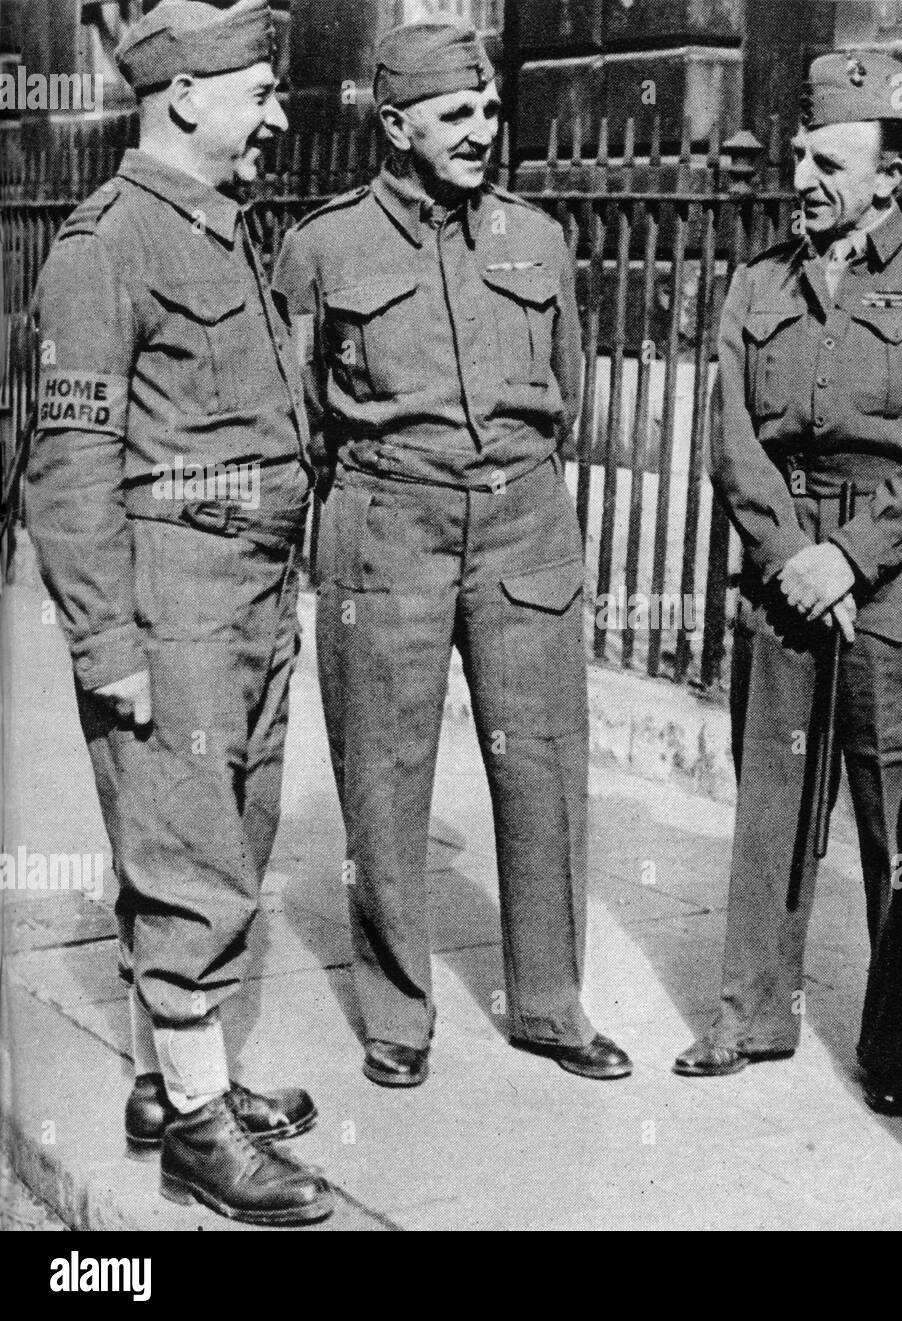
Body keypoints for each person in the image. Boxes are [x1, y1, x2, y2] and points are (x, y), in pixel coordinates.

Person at [273, 21, 632, 1089]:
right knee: (383, 771)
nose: (482, 130)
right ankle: (396, 1008)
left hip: (523, 517)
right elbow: (302, 418)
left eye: (488, 110)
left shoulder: (537, 234)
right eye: (455, 114)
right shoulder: (323, 248)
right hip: (388, 521)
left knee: (547, 764)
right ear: (394, 125)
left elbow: (568, 384)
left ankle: (551, 1003)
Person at [26, 0, 333, 1225]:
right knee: (187, 854)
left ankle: (168, 1081)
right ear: (187, 96)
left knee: (233, 830)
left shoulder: (217, 228)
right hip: (171, 596)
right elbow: (69, 462)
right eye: (259, 92)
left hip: (248, 592)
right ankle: (201, 1130)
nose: (277, 114)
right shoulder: (104, 245)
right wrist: (109, 645)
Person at [673, 50, 902, 1118]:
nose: (800, 177)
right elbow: (731, 442)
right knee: (769, 794)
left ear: (891, 175)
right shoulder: (759, 280)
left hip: (895, 575)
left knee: (899, 820)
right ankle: (747, 1012)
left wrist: (847, 558)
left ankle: (895, 1039)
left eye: (827, 161)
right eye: (799, 156)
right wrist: (787, 555)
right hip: (783, 566)